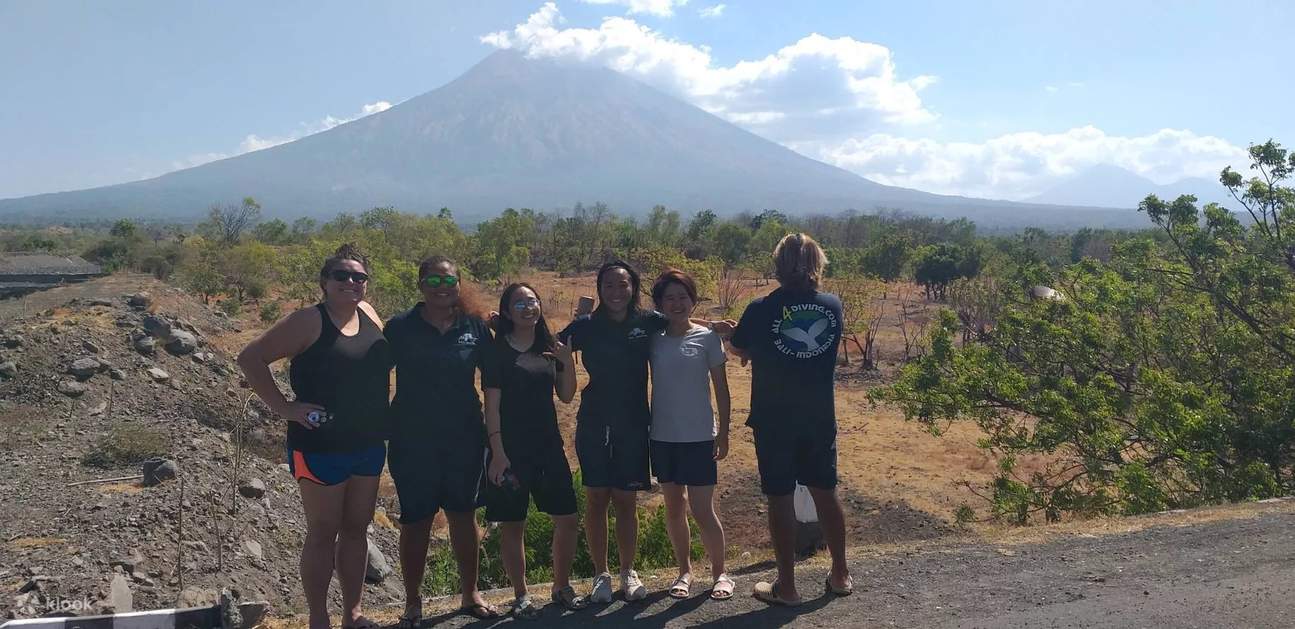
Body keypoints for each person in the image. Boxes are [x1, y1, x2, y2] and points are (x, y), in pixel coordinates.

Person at [237, 244, 391, 629]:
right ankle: (319, 618)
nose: (352, 282)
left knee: (357, 530)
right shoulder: (308, 321)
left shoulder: (369, 314)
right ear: (325, 282)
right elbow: (250, 358)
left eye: (359, 277)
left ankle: (352, 613)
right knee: (323, 532)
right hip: (320, 445)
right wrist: (285, 408)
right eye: (342, 276)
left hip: (368, 442)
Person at [729, 233, 853, 607]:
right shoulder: (832, 305)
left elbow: (738, 346)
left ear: (778, 264)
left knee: (779, 497)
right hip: (818, 416)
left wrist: (745, 345)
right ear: (818, 262)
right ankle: (840, 574)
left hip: (774, 418)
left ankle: (787, 586)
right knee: (825, 493)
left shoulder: (760, 307)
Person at [382, 256, 499, 625]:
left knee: (463, 516)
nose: (441, 287)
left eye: (448, 280)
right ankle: (413, 602)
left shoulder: (474, 327)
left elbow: (495, 379)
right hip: (411, 439)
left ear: (459, 284)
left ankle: (470, 593)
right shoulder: (400, 327)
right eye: (433, 280)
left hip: (464, 437)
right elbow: (370, 374)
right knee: (415, 520)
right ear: (420, 285)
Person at [558, 261, 664, 602]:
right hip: (594, 420)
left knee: (626, 500)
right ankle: (601, 574)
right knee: (596, 499)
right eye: (609, 286)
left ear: (633, 287)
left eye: (623, 285)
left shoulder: (647, 321)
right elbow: (547, 343)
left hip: (634, 422)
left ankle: (627, 572)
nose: (617, 292)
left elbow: (683, 321)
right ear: (600, 290)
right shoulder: (587, 325)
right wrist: (500, 324)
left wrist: (718, 326)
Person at [482, 283, 587, 619]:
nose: (528, 307)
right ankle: (521, 595)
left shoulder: (549, 347)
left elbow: (567, 395)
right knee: (513, 524)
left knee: (568, 518)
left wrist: (565, 361)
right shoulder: (498, 352)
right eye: (519, 303)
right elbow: (492, 407)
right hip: (510, 451)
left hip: (547, 449)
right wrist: (497, 453)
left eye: (532, 301)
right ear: (507, 310)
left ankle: (561, 586)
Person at [648, 269, 735, 601]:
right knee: (673, 508)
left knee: (702, 509)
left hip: (699, 436)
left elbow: (722, 391)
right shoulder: (652, 338)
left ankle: (720, 573)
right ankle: (684, 571)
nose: (677, 303)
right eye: (669, 298)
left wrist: (723, 432)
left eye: (683, 297)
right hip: (662, 436)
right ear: (659, 304)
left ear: (692, 300)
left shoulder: (707, 338)